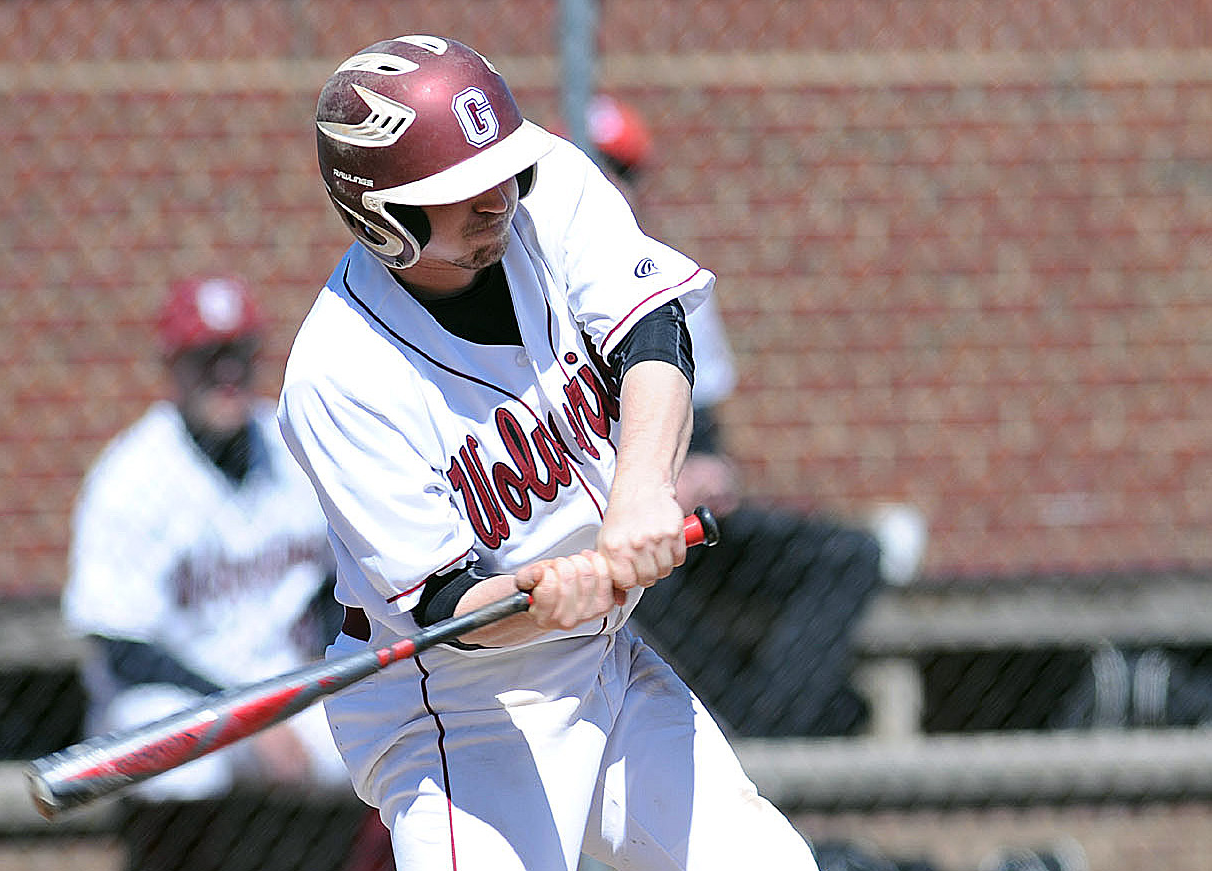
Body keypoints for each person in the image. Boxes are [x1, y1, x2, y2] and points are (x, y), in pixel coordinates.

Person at [280, 35, 816, 871]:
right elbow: (442, 609)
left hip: (605, 661)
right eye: (459, 192)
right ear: (381, 215)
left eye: (499, 170)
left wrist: (642, 491)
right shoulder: (336, 375)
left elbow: (653, 330)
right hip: (462, 716)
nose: (495, 197)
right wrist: (534, 598)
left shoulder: (550, 186)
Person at [572, 95, 902, 740]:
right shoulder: (528, 296)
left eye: (624, 170)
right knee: (649, 582)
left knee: (849, 556)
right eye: (596, 168)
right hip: (591, 534)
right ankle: (752, 734)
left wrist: (707, 469)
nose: (613, 186)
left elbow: (706, 430)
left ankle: (768, 732)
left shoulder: (661, 278)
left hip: (673, 523)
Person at [62, 275, 349, 822]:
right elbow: (122, 648)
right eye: (208, 356)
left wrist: (320, 670)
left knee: (377, 727)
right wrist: (243, 714)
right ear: (175, 367)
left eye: (238, 353)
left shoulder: (290, 442)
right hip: (177, 697)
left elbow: (338, 586)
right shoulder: (131, 476)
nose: (228, 373)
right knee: (189, 766)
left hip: (286, 685)